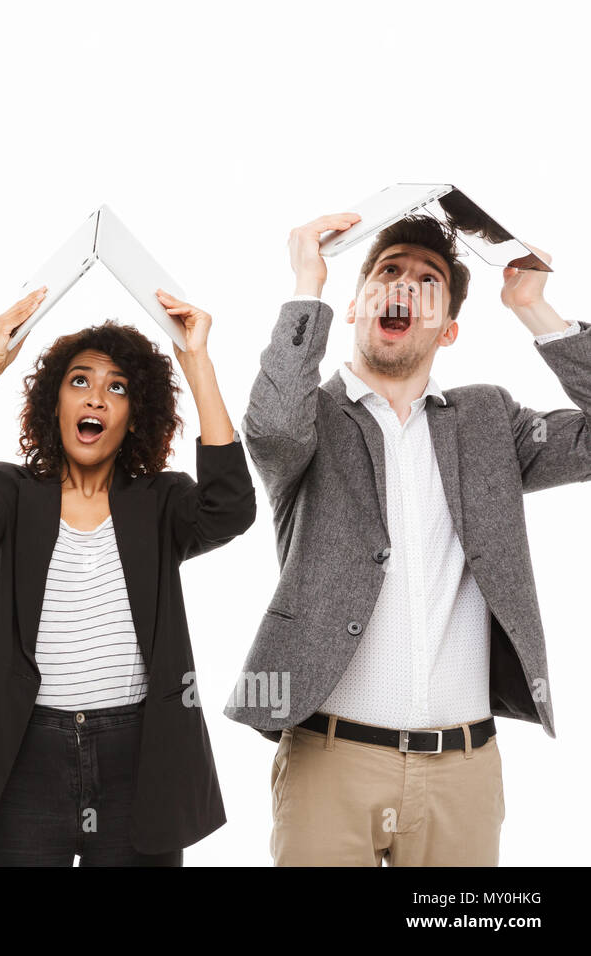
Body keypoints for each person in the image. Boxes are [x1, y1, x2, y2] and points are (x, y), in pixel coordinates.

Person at [227, 212, 588, 866]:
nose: (405, 284)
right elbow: (271, 429)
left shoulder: (488, 420)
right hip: (328, 764)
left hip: (463, 774)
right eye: (388, 270)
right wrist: (306, 281)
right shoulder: (308, 420)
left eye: (428, 280)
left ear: (448, 327)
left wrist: (536, 310)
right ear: (358, 305)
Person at [0, 286, 257, 865]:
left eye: (117, 388)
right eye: (80, 381)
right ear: (54, 403)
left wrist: (197, 362)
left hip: (138, 759)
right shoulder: (11, 495)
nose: (97, 399)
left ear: (135, 417)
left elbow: (230, 507)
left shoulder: (160, 501)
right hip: (23, 757)